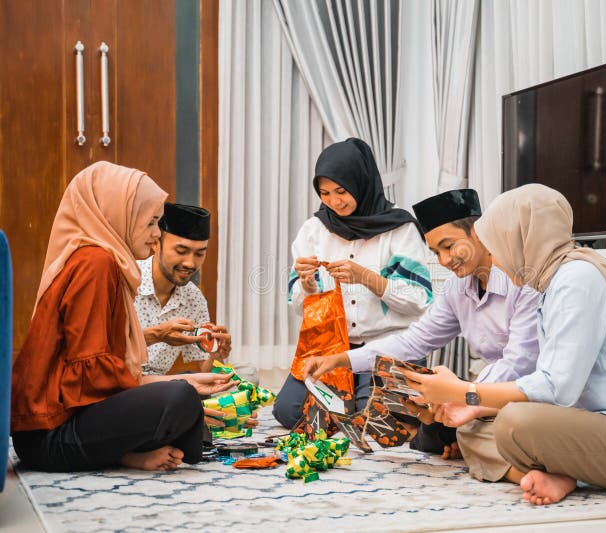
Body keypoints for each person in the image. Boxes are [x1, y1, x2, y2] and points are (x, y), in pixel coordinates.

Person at [400, 184, 606, 505]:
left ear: (521, 239)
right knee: (473, 430)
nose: (496, 260)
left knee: (513, 423)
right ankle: (555, 477)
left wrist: (463, 392)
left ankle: (558, 475)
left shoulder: (577, 280)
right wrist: (473, 407)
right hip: (603, 426)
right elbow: (560, 393)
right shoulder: (555, 282)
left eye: (497, 246)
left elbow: (557, 388)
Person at [10, 161, 234, 472]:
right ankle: (122, 453)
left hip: (63, 423)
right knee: (180, 399)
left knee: (183, 399)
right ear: (119, 214)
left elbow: (102, 368)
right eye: (151, 222)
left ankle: (124, 453)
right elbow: (91, 380)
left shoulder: (105, 263)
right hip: (52, 435)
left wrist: (186, 379)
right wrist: (180, 385)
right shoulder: (96, 264)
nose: (156, 235)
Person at [304, 189, 540, 472]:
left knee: (490, 425)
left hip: (524, 395)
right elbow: (415, 341)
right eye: (436, 252)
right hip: (482, 394)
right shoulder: (458, 288)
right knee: (430, 434)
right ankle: (465, 439)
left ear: (481, 233)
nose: (443, 260)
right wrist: (341, 359)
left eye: (449, 246)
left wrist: (461, 395)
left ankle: (478, 445)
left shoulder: (524, 284)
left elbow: (519, 363)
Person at [273, 138, 433, 429]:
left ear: (361, 182)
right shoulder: (314, 230)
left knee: (380, 421)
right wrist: (307, 285)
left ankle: (355, 404)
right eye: (325, 193)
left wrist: (368, 278)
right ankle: (350, 405)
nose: (334, 201)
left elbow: (420, 300)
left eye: (341, 191)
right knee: (289, 412)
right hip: (332, 349)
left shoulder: (399, 229)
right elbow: (298, 304)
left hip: (388, 346)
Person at [134, 202, 233, 376]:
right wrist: (157, 334)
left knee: (244, 377)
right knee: (182, 392)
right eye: (181, 251)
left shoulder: (194, 299)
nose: (190, 263)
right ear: (155, 243)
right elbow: (101, 348)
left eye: (200, 254)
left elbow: (202, 368)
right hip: (116, 381)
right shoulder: (127, 279)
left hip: (156, 387)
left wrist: (215, 355)